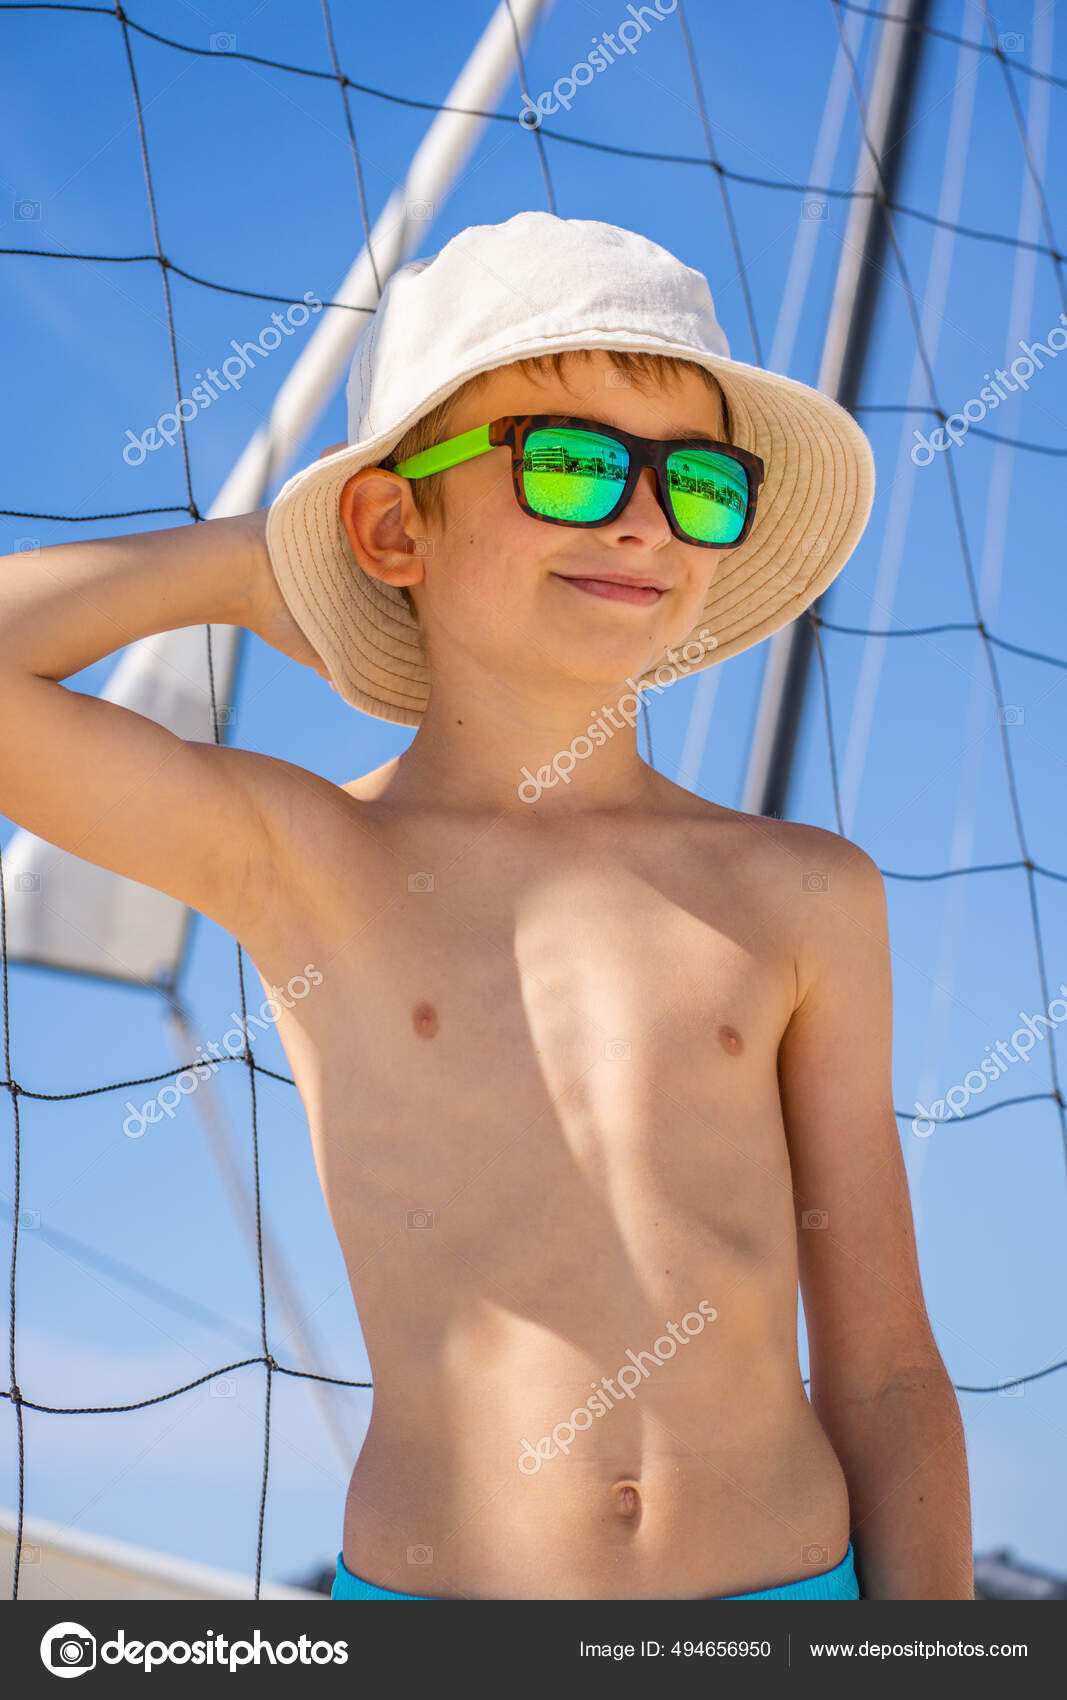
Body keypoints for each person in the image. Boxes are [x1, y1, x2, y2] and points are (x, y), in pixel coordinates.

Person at [0, 212, 974, 1601]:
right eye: (572, 464)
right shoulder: (308, 857)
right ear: (396, 522)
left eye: (699, 483)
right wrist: (247, 565)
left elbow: (882, 1367)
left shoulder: (804, 892)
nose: (643, 517)